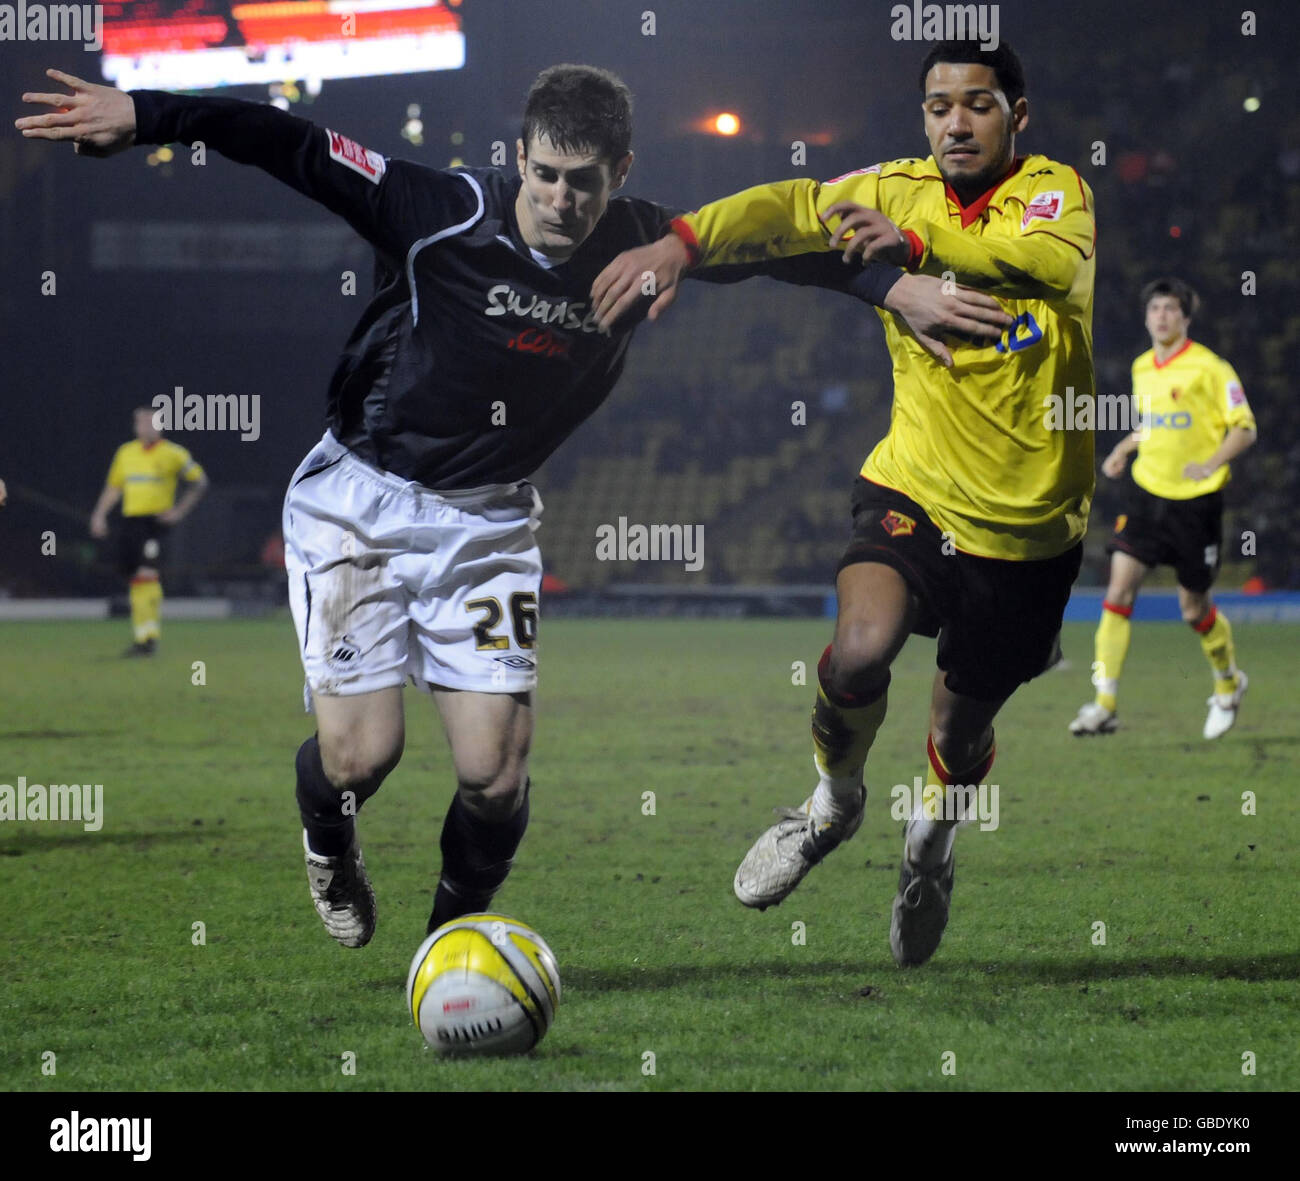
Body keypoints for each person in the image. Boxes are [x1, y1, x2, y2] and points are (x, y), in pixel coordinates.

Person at [18, 63, 1006, 951]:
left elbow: (785, 246)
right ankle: (328, 835)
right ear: (517, 159)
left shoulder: (645, 242)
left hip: (487, 520)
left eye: (585, 181)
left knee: (494, 773)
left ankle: (448, 943)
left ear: (619, 172)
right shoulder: (437, 207)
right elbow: (290, 142)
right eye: (544, 175)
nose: (561, 200)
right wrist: (143, 114)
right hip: (360, 500)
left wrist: (893, 287)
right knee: (362, 755)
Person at [593, 41, 1095, 967]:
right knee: (858, 651)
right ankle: (830, 803)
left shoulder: (1057, 192)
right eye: (938, 105)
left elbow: (1045, 269)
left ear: (1017, 114)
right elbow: (787, 210)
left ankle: (931, 848)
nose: (955, 122)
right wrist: (683, 243)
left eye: (978, 105)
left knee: (959, 729)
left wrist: (916, 251)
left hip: (1027, 531)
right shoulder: (893, 185)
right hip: (916, 483)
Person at [1070, 279, 1255, 740]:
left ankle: (1229, 684)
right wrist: (1126, 447)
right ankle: (1104, 703)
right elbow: (1152, 423)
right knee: (1119, 591)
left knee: (1193, 608)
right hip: (1147, 497)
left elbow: (1244, 428)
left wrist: (1210, 462)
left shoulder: (1211, 368)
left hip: (1196, 505)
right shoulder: (1141, 368)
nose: (1161, 316)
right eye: (1155, 308)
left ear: (1186, 318)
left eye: (1171, 309)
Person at [89, 407, 208, 655]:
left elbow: (199, 482)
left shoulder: (174, 453)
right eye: (142, 423)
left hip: (156, 524)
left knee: (146, 574)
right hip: (131, 523)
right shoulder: (126, 453)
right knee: (136, 578)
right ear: (136, 427)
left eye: (152, 423)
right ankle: (143, 636)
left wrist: (178, 512)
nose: (147, 427)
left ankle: (149, 637)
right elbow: (114, 488)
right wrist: (99, 514)